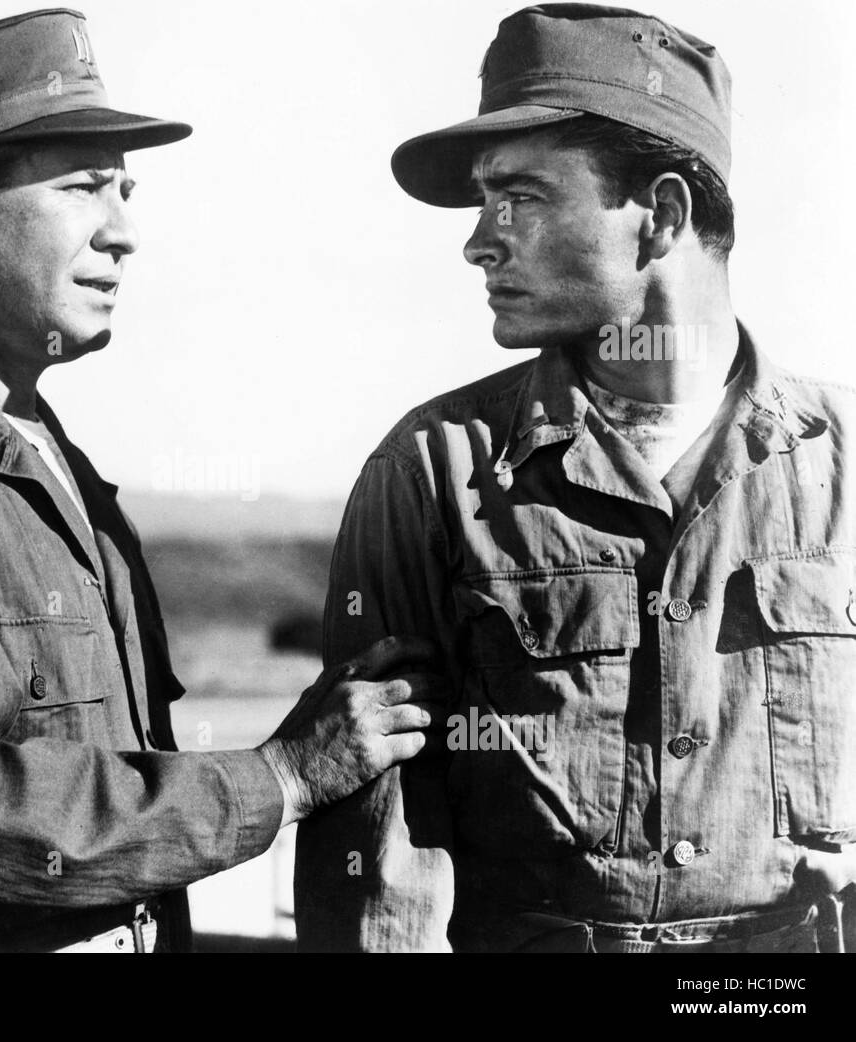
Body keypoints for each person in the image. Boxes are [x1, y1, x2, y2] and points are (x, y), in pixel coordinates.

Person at [0, 9, 434, 954]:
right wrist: (279, 778)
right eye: (86, 186)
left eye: (127, 191)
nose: (124, 233)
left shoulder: (61, 469)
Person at [294, 2, 856, 952]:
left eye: (522, 197)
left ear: (663, 218)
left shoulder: (843, 461)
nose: (480, 240)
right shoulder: (435, 470)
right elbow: (381, 867)